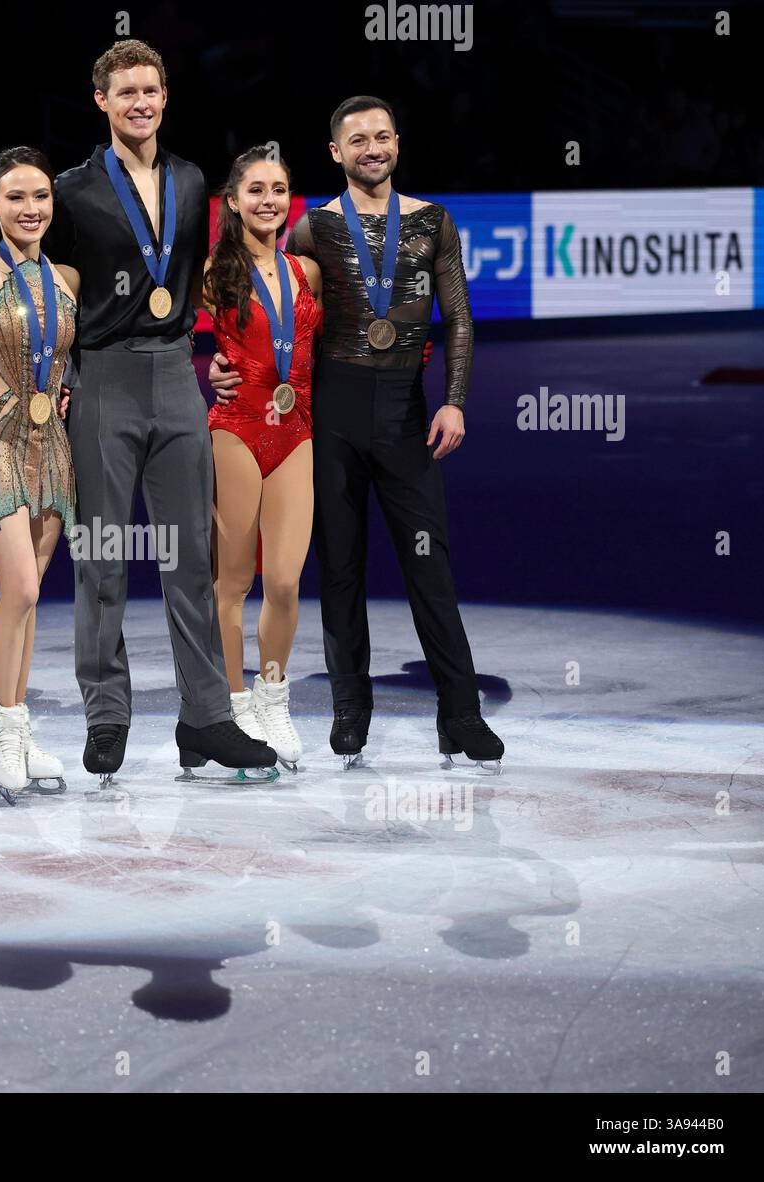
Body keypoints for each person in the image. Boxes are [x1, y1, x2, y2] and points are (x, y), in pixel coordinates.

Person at [0, 39, 277, 786]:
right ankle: (107, 711)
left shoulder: (196, 182)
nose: (140, 102)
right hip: (101, 377)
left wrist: (227, 353)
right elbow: (21, 277)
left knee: (188, 555)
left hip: (176, 375)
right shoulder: (67, 190)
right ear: (100, 100)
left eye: (151, 90)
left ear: (166, 97)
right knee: (101, 553)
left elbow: (206, 275)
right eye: (125, 91)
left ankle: (206, 718)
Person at [210, 95, 505, 772]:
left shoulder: (434, 221)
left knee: (429, 567)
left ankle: (460, 712)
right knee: (340, 570)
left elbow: (456, 317)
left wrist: (454, 402)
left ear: (397, 142)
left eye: (382, 136)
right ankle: (350, 711)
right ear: (336, 153)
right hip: (332, 416)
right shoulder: (311, 230)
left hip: (405, 413)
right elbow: (274, 314)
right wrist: (229, 369)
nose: (372, 148)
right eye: (357, 140)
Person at [0, 147, 79, 804]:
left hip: (49, 442)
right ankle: (0, 730)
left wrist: (68, 392)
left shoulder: (68, 280)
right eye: (17, 198)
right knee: (20, 590)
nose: (31, 209)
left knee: (33, 601)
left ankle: (20, 723)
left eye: (41, 197)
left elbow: (68, 356)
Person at [202, 147, 322, 771]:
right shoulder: (213, 272)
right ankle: (235, 699)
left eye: (278, 188)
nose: (268, 200)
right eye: (255, 189)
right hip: (237, 428)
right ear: (234, 200)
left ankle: (274, 696)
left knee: (284, 580)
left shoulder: (307, 271)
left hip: (295, 431)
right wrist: (211, 370)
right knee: (234, 583)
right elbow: (162, 338)